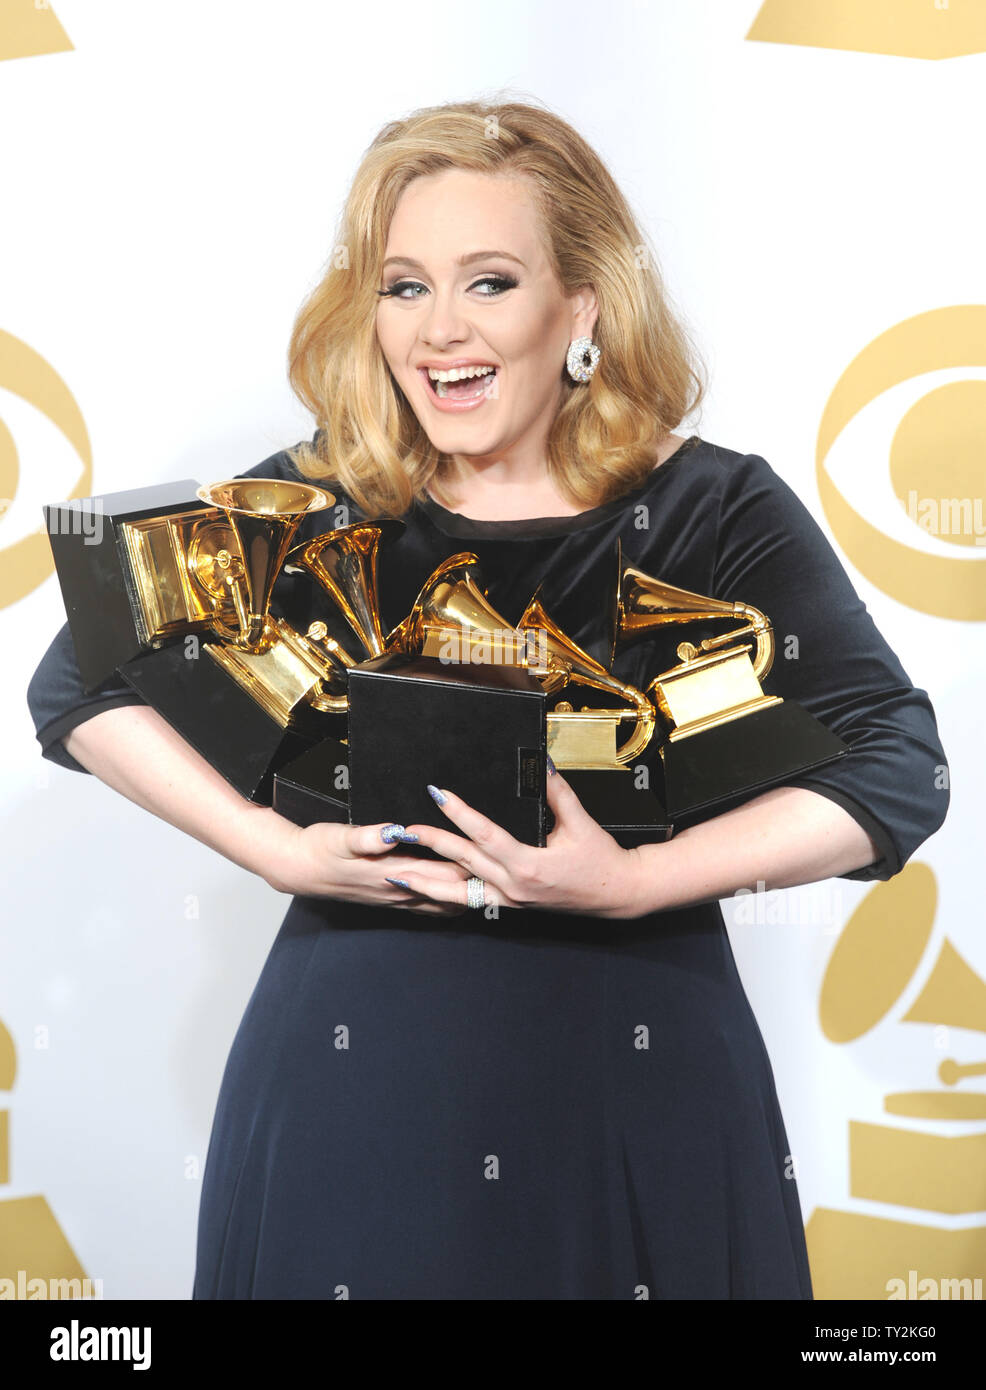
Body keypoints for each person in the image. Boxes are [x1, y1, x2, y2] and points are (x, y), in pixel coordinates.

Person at [26, 99, 949, 1300]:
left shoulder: (711, 509)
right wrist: (272, 849)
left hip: (637, 1084)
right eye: (403, 286)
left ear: (582, 306)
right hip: (353, 1095)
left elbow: (894, 765)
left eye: (490, 282)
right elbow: (80, 680)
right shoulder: (319, 499)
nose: (439, 330)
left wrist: (629, 883)